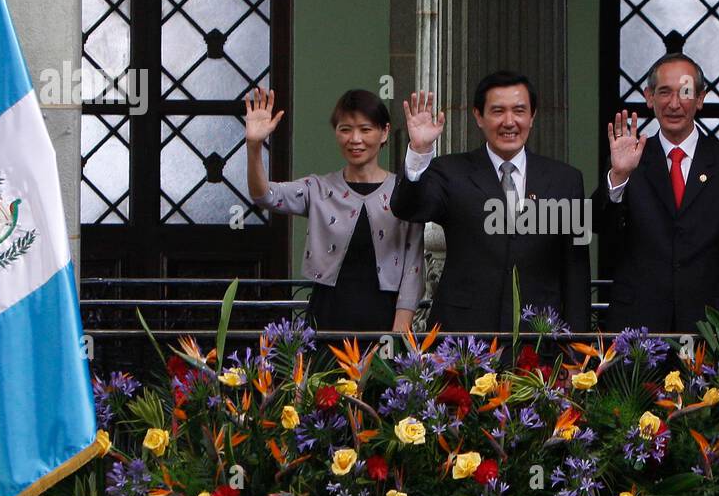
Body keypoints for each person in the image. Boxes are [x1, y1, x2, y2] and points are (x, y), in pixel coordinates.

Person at [390, 71, 591, 332]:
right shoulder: (449, 171)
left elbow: (577, 268)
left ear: (533, 115)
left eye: (519, 110)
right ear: (478, 116)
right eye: (497, 111)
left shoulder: (568, 179)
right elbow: (407, 208)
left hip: (539, 336)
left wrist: (576, 347)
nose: (509, 122)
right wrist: (419, 151)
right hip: (464, 339)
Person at [592, 52, 719, 332]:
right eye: (664, 92)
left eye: (684, 93)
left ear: (699, 98)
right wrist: (619, 176)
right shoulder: (629, 159)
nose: (674, 104)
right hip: (640, 329)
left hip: (712, 328)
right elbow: (597, 225)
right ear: (649, 97)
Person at [245, 87, 424, 333]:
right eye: (345, 129)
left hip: (385, 317)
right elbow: (264, 195)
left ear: (384, 133)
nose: (355, 139)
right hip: (327, 315)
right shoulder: (318, 188)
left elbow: (413, 263)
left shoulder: (404, 192)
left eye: (365, 129)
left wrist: (401, 324)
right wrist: (254, 146)